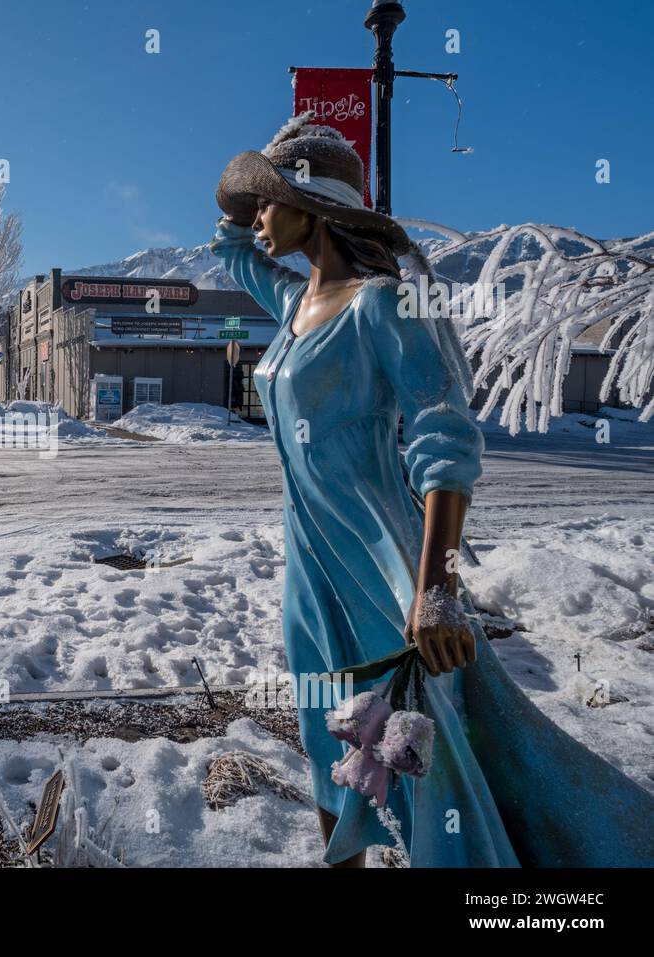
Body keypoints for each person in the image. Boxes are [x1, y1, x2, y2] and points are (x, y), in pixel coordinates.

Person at [210, 111, 654, 867]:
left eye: (271, 200)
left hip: (386, 569)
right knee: (327, 738)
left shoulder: (384, 304)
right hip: (308, 569)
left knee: (419, 761)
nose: (256, 219)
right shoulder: (294, 306)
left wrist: (438, 589)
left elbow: (445, 441)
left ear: (315, 206)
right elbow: (228, 241)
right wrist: (264, 172)